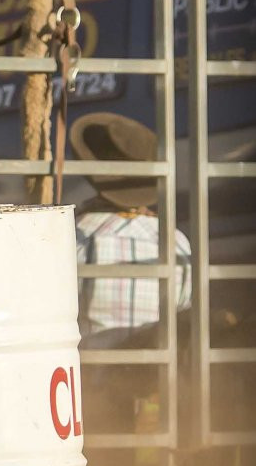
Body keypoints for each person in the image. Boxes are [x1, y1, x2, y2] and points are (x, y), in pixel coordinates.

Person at [70, 112, 192, 345]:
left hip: (87, 375)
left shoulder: (73, 240)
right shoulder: (176, 243)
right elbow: (184, 311)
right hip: (156, 374)